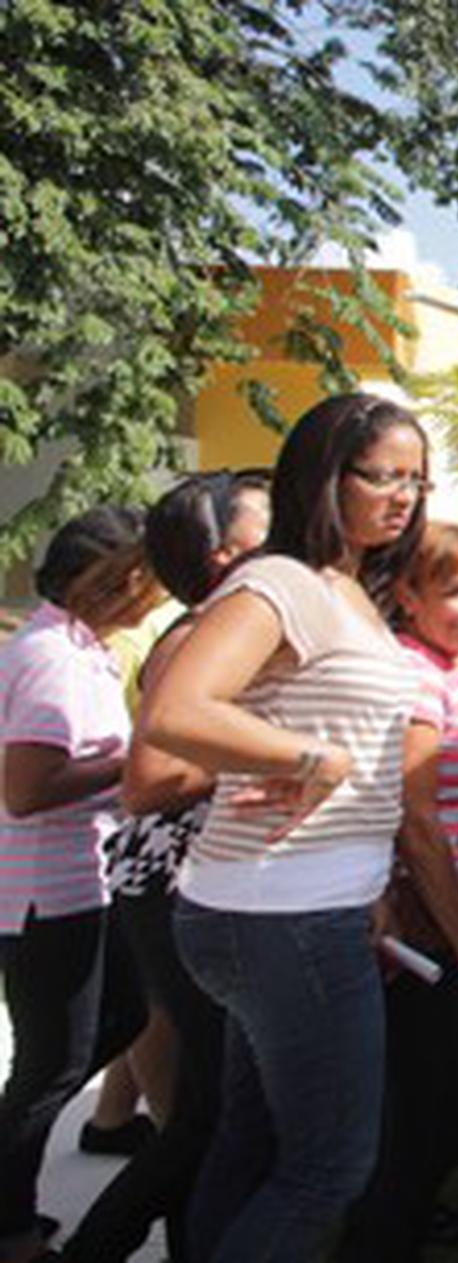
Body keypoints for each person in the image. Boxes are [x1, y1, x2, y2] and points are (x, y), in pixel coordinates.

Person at [141, 392, 430, 1262]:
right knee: (326, 1171)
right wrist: (310, 761)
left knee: (253, 1142)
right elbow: (175, 711)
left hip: (291, 904)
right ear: (322, 475)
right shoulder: (280, 582)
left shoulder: (345, 589)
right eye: (380, 473)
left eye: (416, 478)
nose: (403, 494)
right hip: (283, 915)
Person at [60, 472, 271, 1263]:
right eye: (266, 532)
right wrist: (270, 760)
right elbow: (148, 780)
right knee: (207, 1109)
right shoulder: (196, 639)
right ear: (223, 552)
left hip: (193, 884)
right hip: (170, 884)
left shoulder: (229, 629)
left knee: (208, 1105)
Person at [336, 523, 458, 1263]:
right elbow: (414, 816)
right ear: (407, 595)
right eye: (456, 590)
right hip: (423, 934)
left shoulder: (442, 668)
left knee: (427, 1117)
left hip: (436, 924)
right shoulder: (417, 674)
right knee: (416, 1124)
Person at [0, 506, 163, 1263]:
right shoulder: (53, 659)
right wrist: (137, 764)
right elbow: (27, 786)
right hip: (44, 895)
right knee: (47, 1068)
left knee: (114, 1019)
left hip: (75, 886)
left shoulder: (75, 646)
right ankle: (10, 1226)